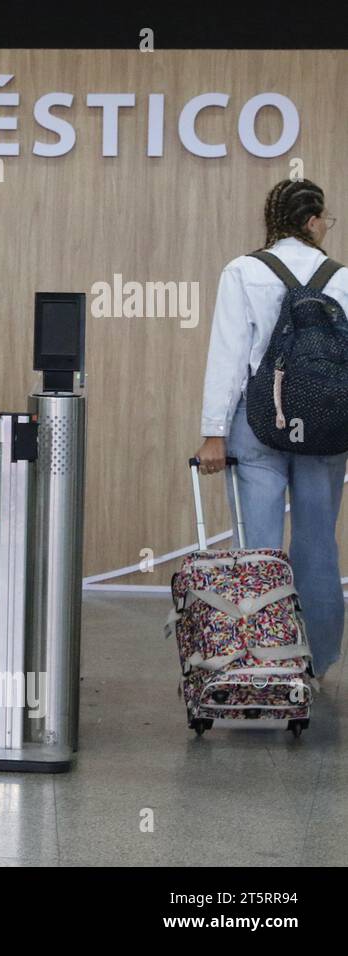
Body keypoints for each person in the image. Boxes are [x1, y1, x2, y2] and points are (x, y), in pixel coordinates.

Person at [196, 178, 347, 679]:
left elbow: (229, 355)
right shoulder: (343, 279)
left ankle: (264, 660)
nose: (328, 227)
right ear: (311, 221)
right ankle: (318, 663)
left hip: (258, 426)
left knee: (256, 547)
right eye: (326, 218)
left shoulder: (244, 271)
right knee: (319, 542)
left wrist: (213, 431)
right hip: (327, 429)